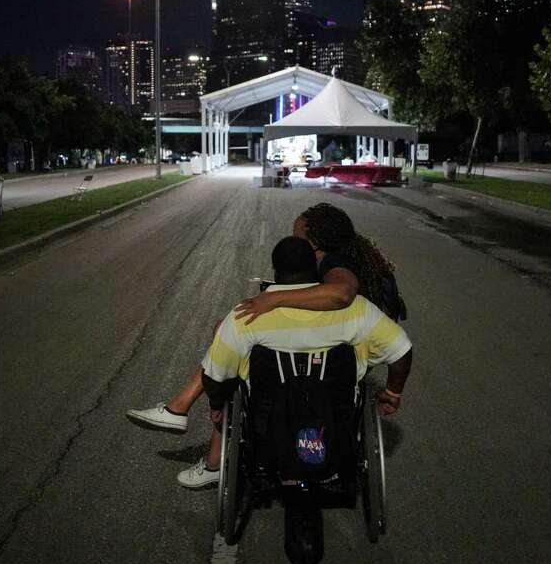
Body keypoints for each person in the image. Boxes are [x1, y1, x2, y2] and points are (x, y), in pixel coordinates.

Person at [126, 203, 400, 432]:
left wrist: (274, 297)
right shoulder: (335, 258)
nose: (292, 240)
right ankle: (198, 431)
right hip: (347, 344)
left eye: (296, 235)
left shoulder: (333, 263)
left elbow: (341, 293)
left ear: (314, 242)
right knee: (233, 330)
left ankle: (187, 412)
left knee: (236, 336)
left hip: (338, 347)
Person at [177, 235, 412, 488]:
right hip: (335, 425)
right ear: (316, 270)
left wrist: (216, 405)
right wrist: (392, 392)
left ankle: (215, 463)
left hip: (267, 427)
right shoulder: (358, 310)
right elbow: (402, 351)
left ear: (276, 272)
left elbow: (216, 375)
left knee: (234, 375)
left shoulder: (246, 314)